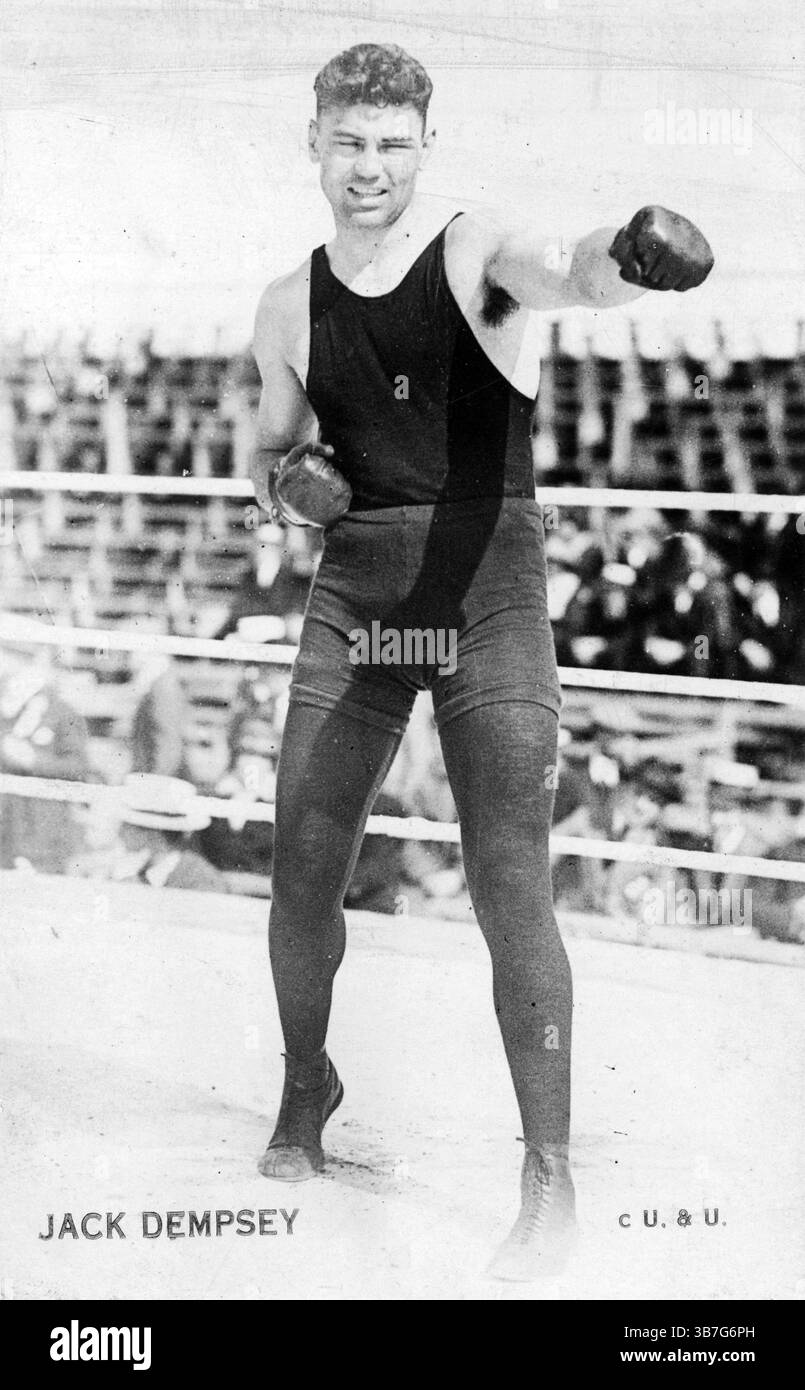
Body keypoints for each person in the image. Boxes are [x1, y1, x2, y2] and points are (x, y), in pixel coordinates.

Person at [248, 42, 714, 1280]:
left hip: (487, 600)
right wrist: (290, 487)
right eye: (348, 141)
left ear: (425, 148)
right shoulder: (284, 304)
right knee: (300, 859)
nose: (369, 167)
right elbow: (273, 451)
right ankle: (309, 1082)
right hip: (359, 601)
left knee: (511, 882)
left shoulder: (470, 251)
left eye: (393, 144)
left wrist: (634, 253)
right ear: (313, 145)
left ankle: (548, 1175)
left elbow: (567, 270)